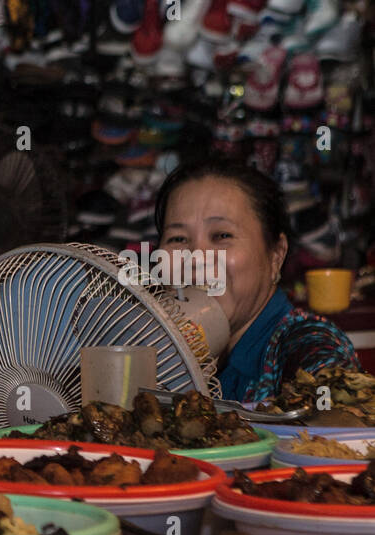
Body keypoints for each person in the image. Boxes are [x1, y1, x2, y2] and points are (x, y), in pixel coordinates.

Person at [153, 158, 360, 404]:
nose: (195, 258)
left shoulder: (304, 342)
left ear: (276, 255)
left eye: (221, 235)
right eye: (177, 239)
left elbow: (332, 393)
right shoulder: (155, 352)